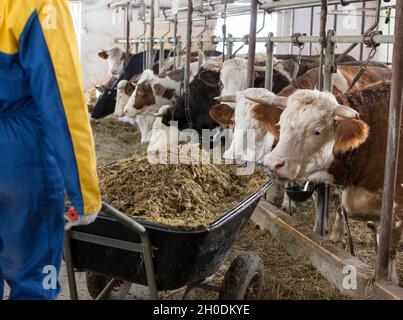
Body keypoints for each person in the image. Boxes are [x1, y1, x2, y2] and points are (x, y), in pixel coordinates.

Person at [0, 0, 101, 299]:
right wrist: (85, 194)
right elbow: (62, 100)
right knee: (33, 281)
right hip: (21, 154)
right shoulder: (38, 4)